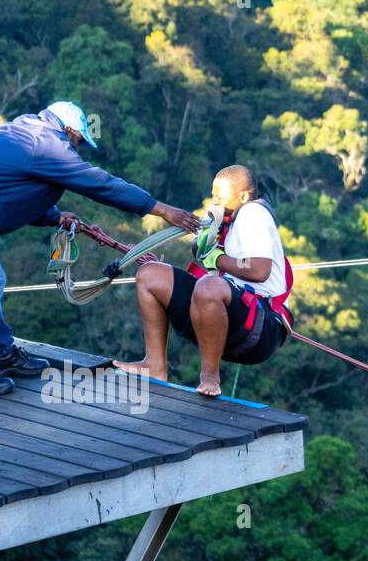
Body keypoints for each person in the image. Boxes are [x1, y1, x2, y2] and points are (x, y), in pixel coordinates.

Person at [0, 101, 199, 395]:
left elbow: (17, 191)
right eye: (79, 141)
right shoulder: (47, 144)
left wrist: (55, 216)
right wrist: (159, 209)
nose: (77, 148)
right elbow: (101, 184)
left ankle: (2, 354)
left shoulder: (23, 132)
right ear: (68, 130)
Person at [115, 164, 293, 397]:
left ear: (242, 196)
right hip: (226, 316)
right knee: (149, 274)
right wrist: (208, 236)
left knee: (208, 286)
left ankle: (210, 376)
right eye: (214, 195)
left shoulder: (253, 213)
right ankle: (154, 366)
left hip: (262, 326)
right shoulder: (227, 219)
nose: (215, 201)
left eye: (221, 197)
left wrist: (217, 259)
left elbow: (259, 270)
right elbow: (200, 252)